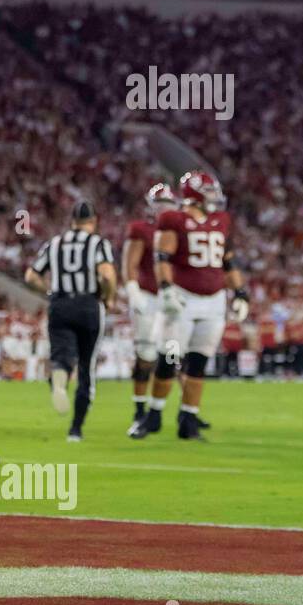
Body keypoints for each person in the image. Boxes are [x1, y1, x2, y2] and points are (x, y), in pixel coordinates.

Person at [131, 171, 249, 441]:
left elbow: (227, 261)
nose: (213, 197)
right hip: (183, 299)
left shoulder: (221, 220)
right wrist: (167, 289)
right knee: (169, 359)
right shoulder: (173, 219)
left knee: (198, 363)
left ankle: (189, 418)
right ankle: (154, 413)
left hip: (214, 301)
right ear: (194, 194)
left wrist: (240, 292)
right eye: (208, 191)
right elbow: (162, 258)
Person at [25, 200, 116, 441]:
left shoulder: (54, 243)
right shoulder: (98, 244)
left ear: (72, 221)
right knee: (87, 365)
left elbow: (31, 275)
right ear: (94, 221)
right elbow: (107, 275)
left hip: (60, 304)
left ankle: (59, 381)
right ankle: (75, 429)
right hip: (88, 305)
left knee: (61, 359)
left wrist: (49, 291)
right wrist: (108, 297)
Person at [121, 182, 178, 436]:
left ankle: (186, 411)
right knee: (145, 355)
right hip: (148, 295)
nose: (164, 209)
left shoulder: (179, 230)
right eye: (160, 204)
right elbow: (130, 263)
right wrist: (133, 291)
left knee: (174, 355)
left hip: (172, 297)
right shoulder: (141, 229)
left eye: (168, 204)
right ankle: (139, 409)